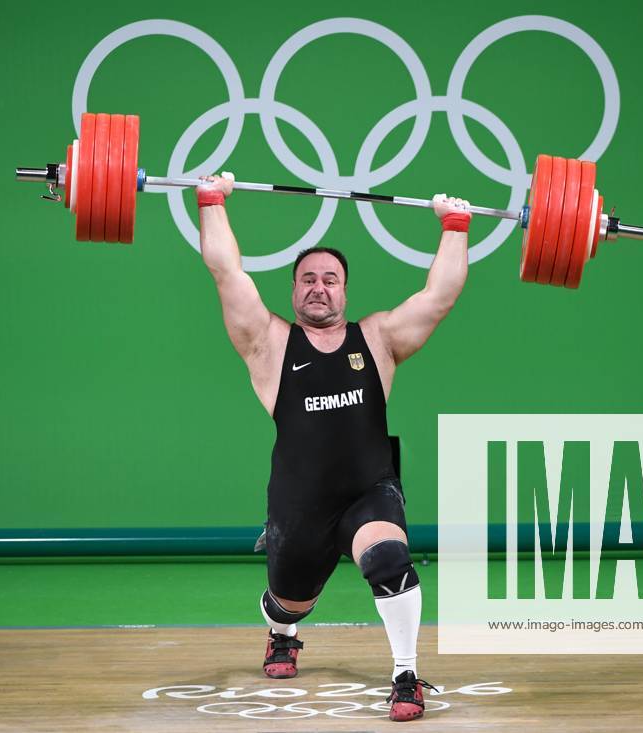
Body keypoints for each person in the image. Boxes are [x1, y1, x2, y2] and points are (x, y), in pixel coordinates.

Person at [195, 172, 470, 722]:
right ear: (293, 291)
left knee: (390, 559)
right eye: (308, 280)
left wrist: (455, 225)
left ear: (345, 290)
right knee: (287, 598)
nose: (319, 287)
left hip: (369, 493)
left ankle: (406, 675)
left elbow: (439, 296)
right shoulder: (267, 343)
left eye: (330, 279)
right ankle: (282, 631)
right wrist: (210, 201)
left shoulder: (379, 339)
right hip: (299, 506)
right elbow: (226, 271)